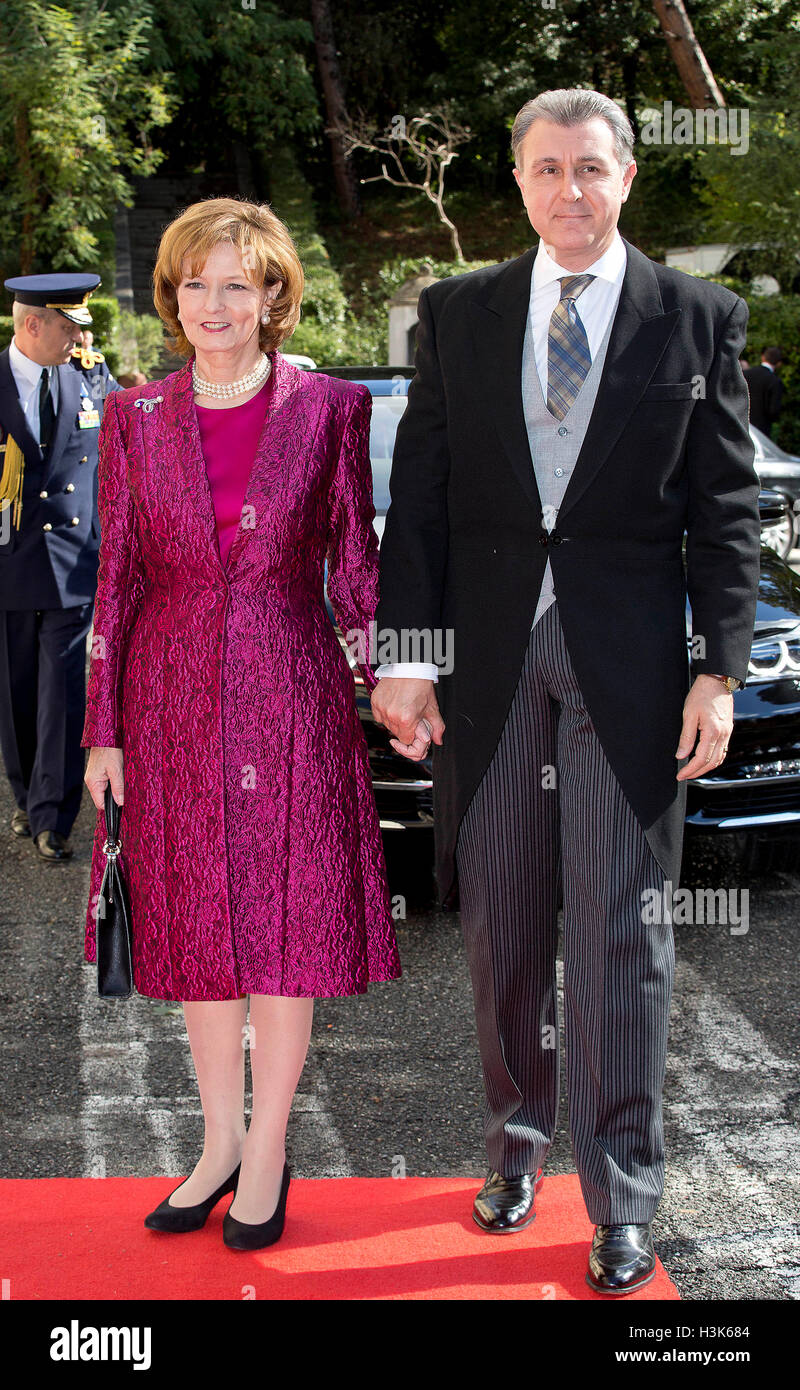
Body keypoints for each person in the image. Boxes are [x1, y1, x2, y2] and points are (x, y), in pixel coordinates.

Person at [371, 89, 761, 1295]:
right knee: (494, 925)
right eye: (545, 170)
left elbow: (725, 512)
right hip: (486, 668)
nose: (567, 192)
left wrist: (718, 669)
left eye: (589, 169)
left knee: (618, 936)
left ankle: (622, 1193)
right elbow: (420, 499)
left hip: (628, 669)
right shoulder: (458, 313)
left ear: (627, 176)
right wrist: (408, 656)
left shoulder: (695, 320)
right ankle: (514, 1145)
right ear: (518, 179)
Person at [81, 197, 400, 1251]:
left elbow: (354, 564)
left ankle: (267, 1149)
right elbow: (116, 584)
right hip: (164, 699)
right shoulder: (132, 419)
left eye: (234, 283)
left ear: (273, 296)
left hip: (288, 686)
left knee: (280, 923)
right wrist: (102, 730)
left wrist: (398, 678)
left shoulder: (331, 409)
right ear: (171, 299)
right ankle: (216, 1144)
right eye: (191, 284)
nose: (210, 304)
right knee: (193, 928)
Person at [0, 273, 119, 860]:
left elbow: (127, 452)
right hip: (8, 566)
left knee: (66, 695)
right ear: (31, 324)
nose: (77, 338)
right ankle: (26, 796)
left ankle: (55, 815)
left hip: (74, 564)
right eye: (68, 327)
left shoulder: (91, 377)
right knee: (17, 694)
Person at [743, 346, 783, 437]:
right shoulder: (775, 381)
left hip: (741, 423)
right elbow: (773, 410)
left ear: (763, 357)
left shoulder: (746, 374)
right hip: (761, 430)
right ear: (779, 363)